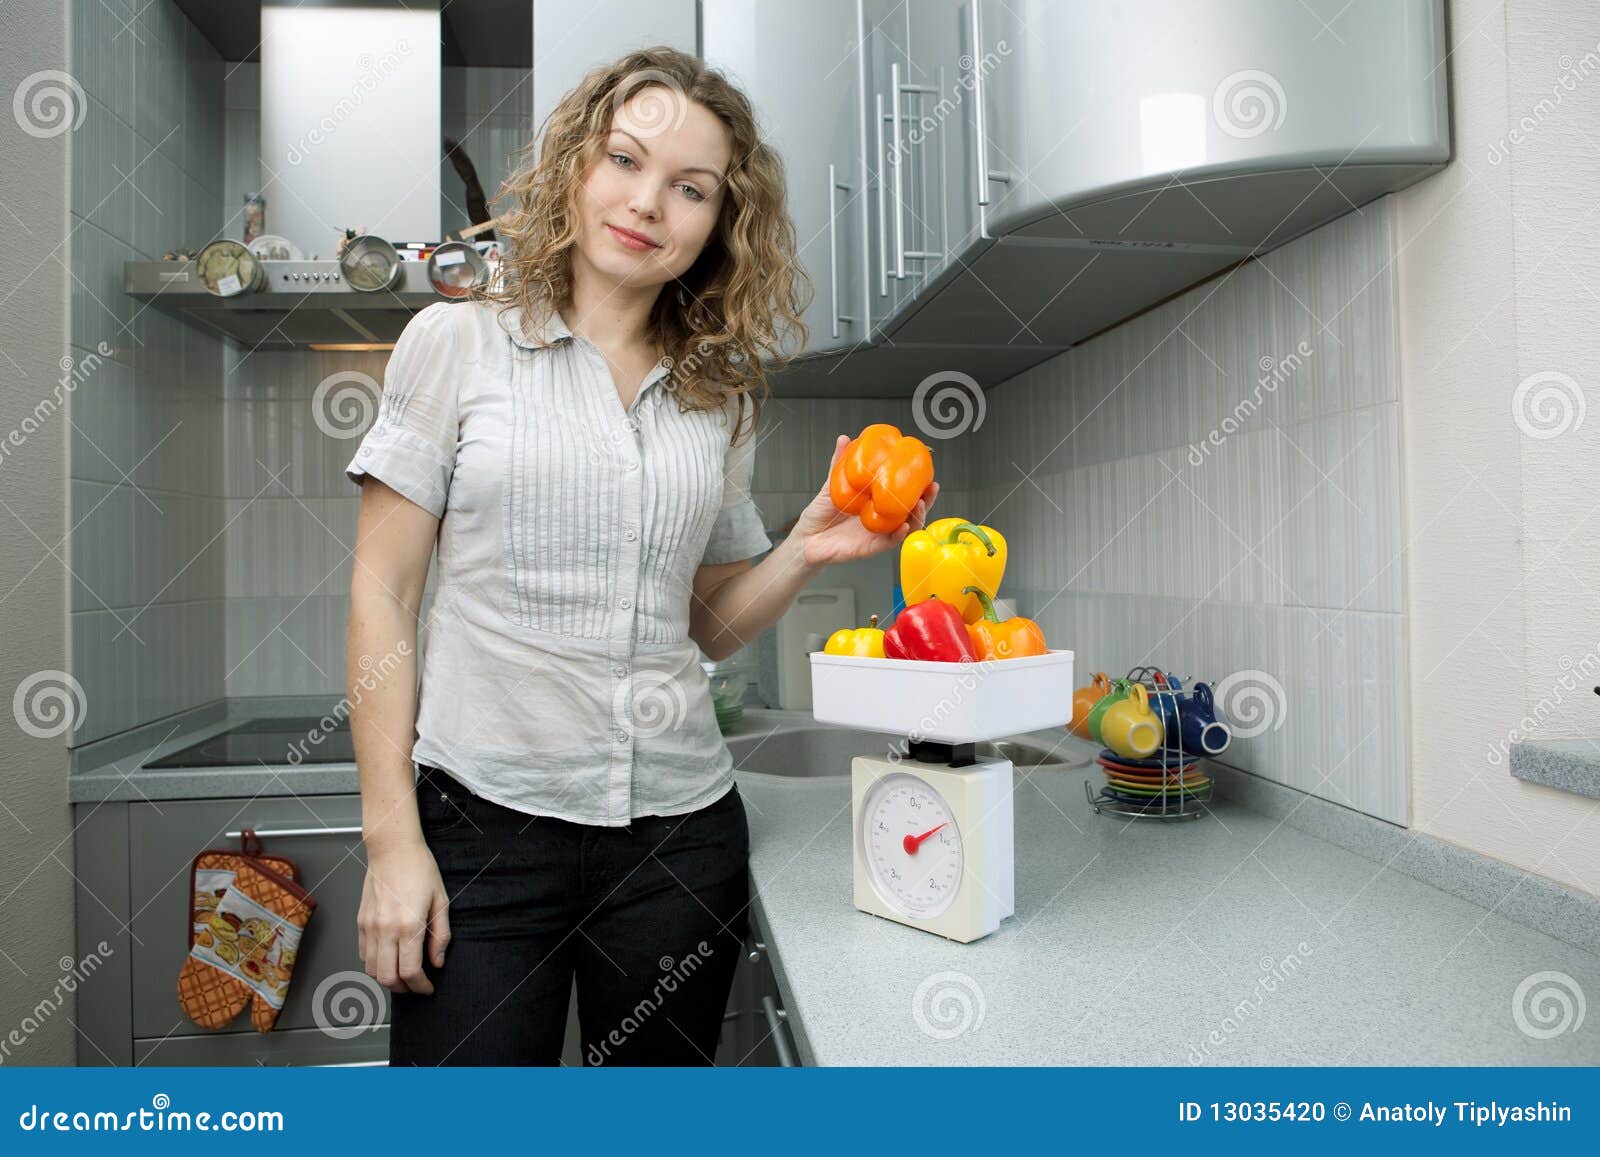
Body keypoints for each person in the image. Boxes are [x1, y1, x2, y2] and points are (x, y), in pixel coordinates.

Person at [344, 46, 939, 1066]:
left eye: (689, 188)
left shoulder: (721, 394)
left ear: (717, 224)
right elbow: (381, 591)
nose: (646, 202)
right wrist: (393, 839)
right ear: (577, 164)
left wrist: (804, 548)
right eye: (624, 159)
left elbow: (702, 626)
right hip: (483, 828)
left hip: (676, 838)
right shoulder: (455, 343)